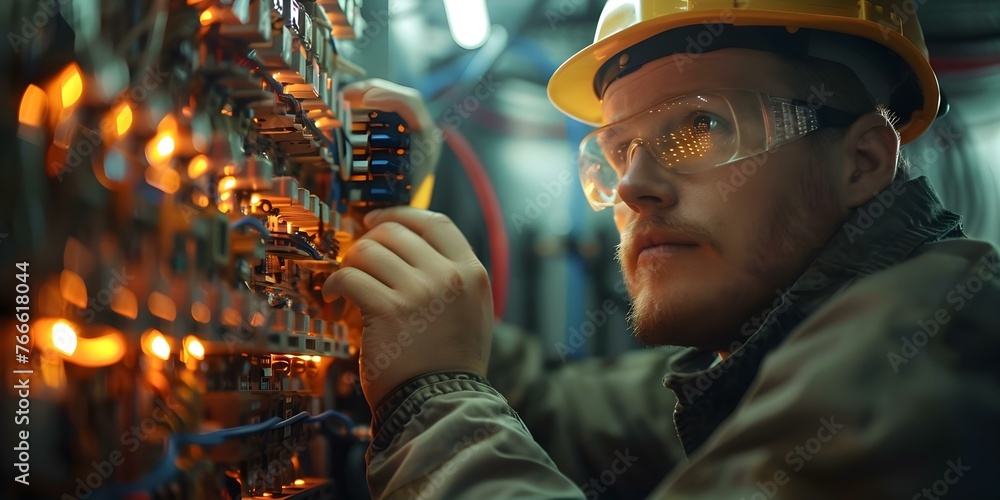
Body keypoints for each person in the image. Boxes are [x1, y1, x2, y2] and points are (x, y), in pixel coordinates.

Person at [323, 0, 1000, 497]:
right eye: (618, 151)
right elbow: (562, 410)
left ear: (862, 161)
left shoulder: (906, 362)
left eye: (701, 125)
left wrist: (430, 394)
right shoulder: (772, 345)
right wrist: (413, 300)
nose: (634, 186)